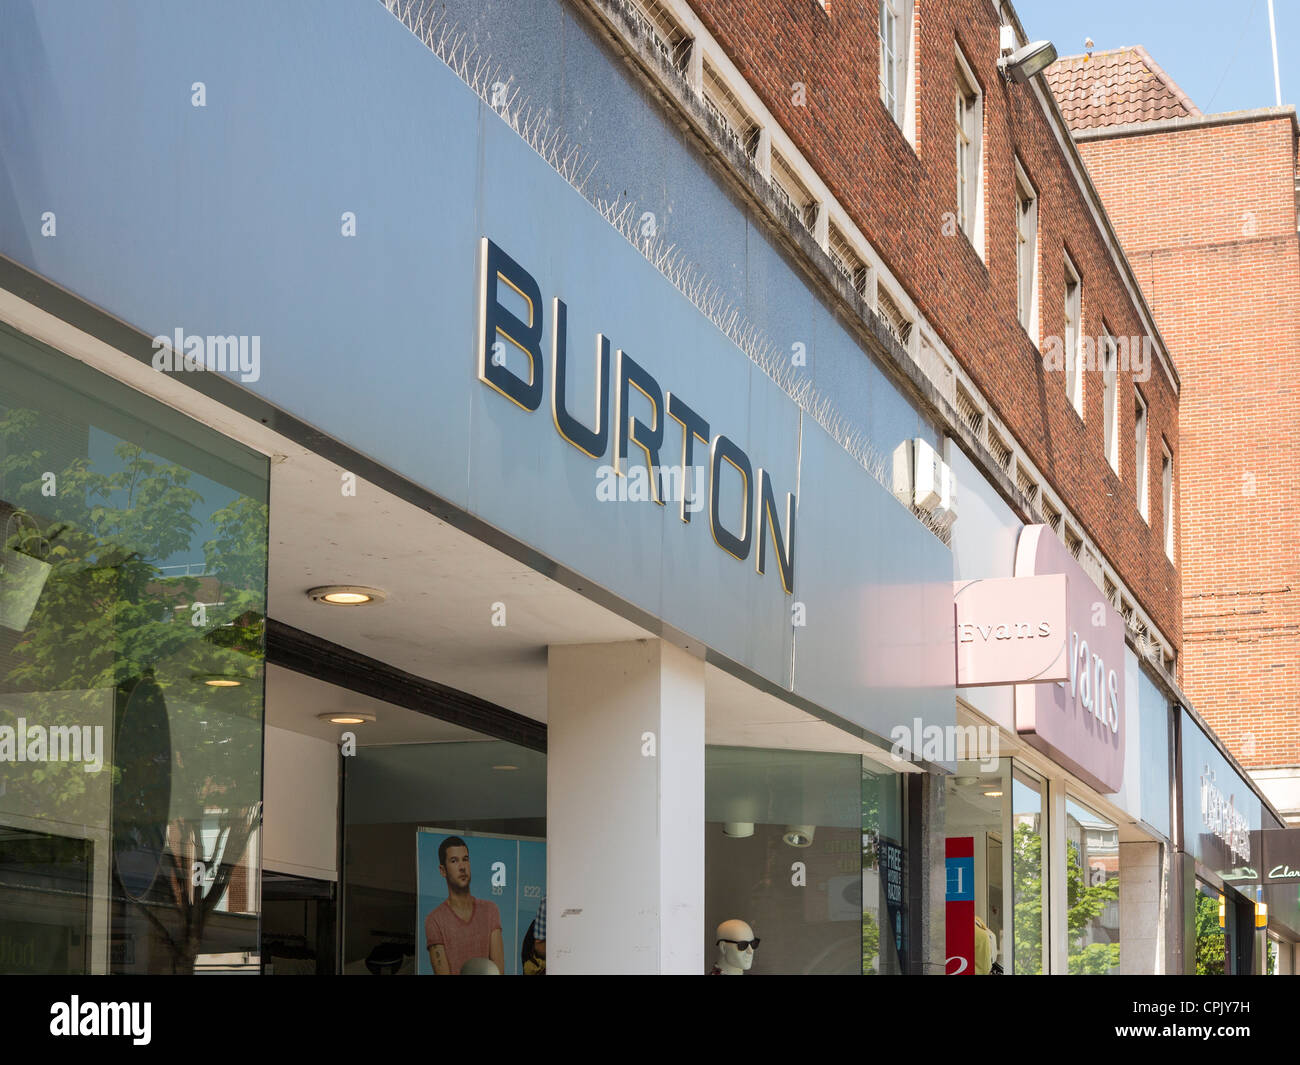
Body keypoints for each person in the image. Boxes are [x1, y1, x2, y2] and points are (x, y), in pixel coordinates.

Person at [424, 836, 504, 975]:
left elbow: (498, 970)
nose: (462, 867)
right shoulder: (434, 920)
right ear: (443, 870)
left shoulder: (490, 910)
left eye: (465, 859)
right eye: (454, 861)